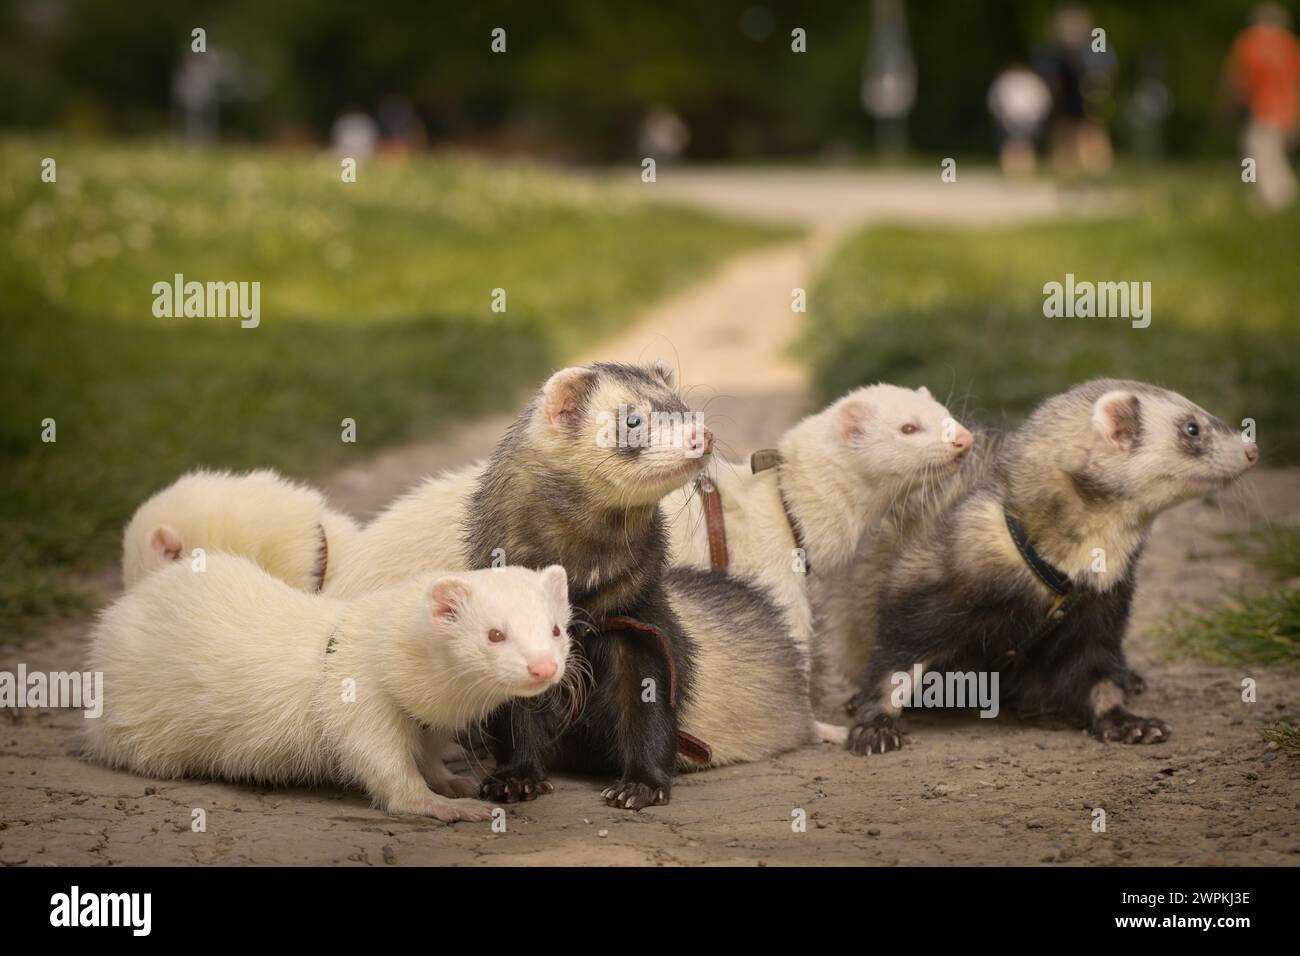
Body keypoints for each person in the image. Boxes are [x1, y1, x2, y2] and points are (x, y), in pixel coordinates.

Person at [1226, 3, 1300, 211]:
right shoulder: (1291, 46)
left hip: (1260, 109)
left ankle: (1275, 196)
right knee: (1266, 155)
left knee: (1255, 156)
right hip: (1286, 112)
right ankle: (1259, 193)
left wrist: (1229, 106)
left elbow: (1239, 79)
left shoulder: (1250, 42)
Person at [988, 65, 1053, 178]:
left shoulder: (1006, 80)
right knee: (1019, 145)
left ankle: (1016, 173)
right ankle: (1021, 173)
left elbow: (994, 100)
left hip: (1017, 117)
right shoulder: (1031, 80)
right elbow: (1044, 99)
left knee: (1016, 144)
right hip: (1022, 117)